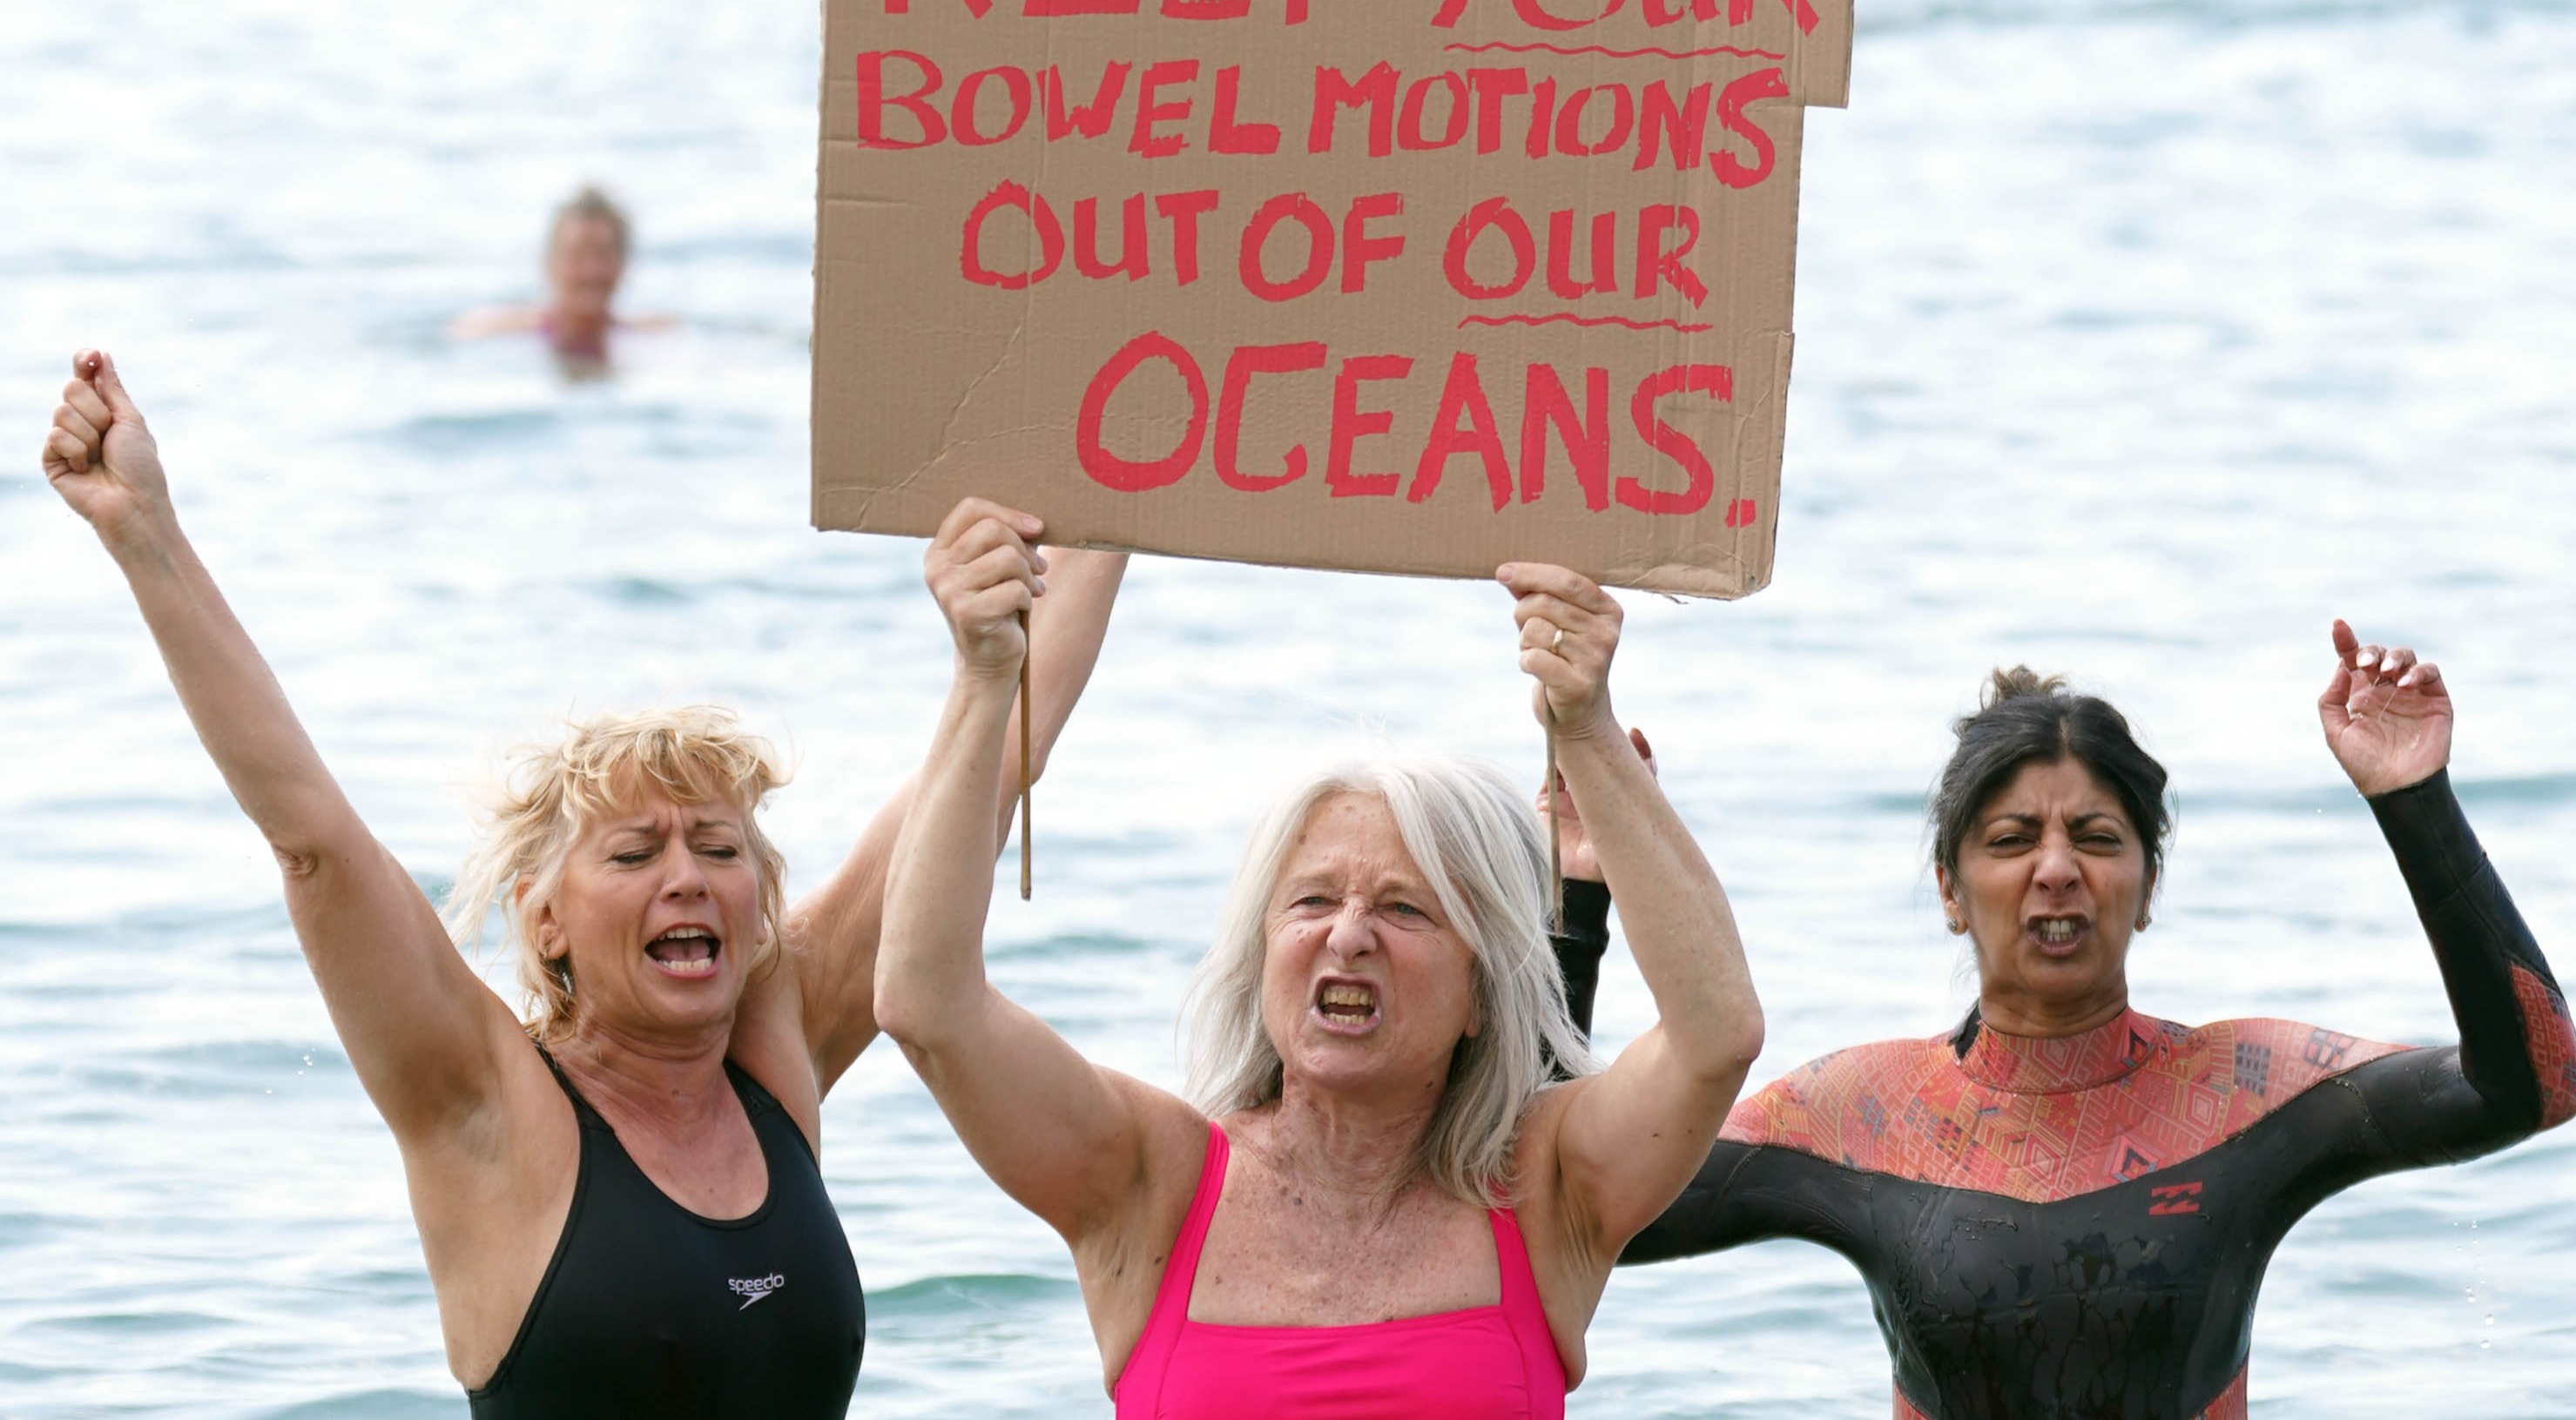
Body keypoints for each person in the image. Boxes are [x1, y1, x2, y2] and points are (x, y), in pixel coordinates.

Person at [39, 350, 1125, 1415]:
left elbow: (992, 769)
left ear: (756, 903)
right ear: (545, 922)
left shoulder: (777, 1045)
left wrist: (1127, 493)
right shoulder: (485, 1105)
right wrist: (145, 533)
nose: (687, 878)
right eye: (634, 854)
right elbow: (310, 836)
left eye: (717, 848)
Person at [873, 499, 1765, 1417]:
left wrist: (1584, 727)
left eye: (1404, 908)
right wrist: (985, 678)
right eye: (1311, 901)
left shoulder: (1544, 1186)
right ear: (1260, 953)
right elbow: (926, 1004)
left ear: (1481, 994)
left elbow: (1715, 1037)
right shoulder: (1152, 1179)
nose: (1347, 935)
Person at [1554, 641, 2576, 1420]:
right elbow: (1561, 1198)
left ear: (2146, 886)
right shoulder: (1863, 1116)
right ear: (1950, 890)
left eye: (2095, 837)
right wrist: (1581, 892)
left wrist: (2412, 796)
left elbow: (2529, 1084)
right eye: (2010, 841)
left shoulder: (2242, 1089)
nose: (2055, 869)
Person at [451, 186, 666, 369]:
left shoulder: (651, 337)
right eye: (577, 256)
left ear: (623, 264)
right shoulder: (495, 330)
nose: (590, 271)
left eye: (602, 255)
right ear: (550, 264)